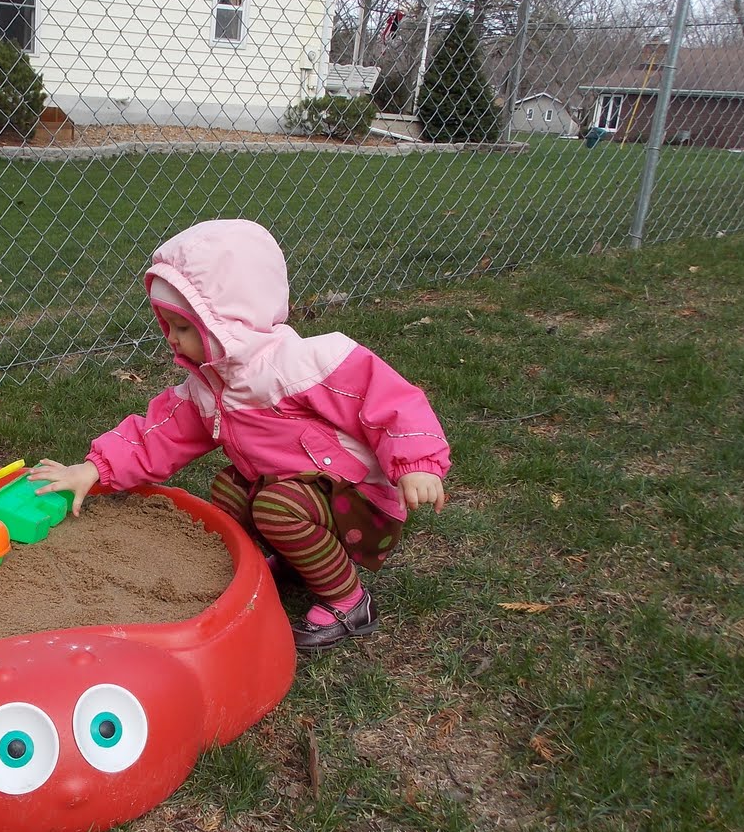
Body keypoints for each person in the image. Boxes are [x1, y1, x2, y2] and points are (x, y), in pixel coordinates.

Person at [30, 218, 449, 650]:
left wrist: (417, 465)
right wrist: (94, 469)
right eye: (168, 325)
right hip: (304, 492)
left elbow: (389, 401)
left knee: (276, 506)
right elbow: (158, 434)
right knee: (229, 489)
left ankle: (350, 601)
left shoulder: (302, 365)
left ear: (228, 321)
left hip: (360, 500)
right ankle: (294, 561)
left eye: (185, 327)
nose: (172, 339)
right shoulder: (210, 385)